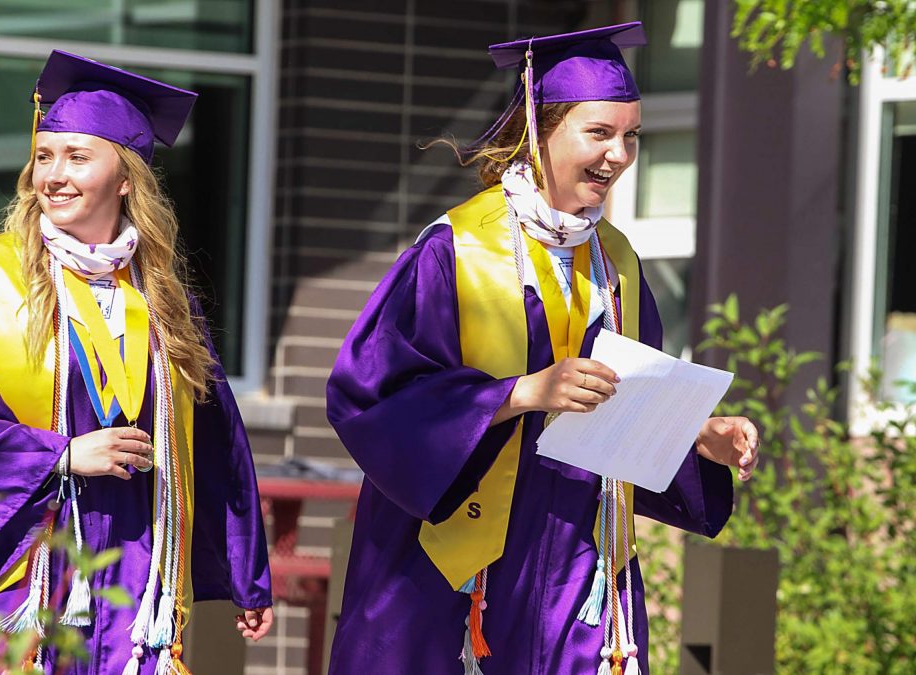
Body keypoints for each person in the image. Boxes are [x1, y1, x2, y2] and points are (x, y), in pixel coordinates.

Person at [325, 22, 760, 675]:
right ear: (539, 130)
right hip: (454, 567)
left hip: (574, 562)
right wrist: (517, 392)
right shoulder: (456, 250)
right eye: (600, 132)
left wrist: (696, 434)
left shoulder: (617, 263)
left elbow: (626, 401)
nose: (619, 154)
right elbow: (369, 393)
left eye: (632, 136)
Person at [0, 50, 273, 673]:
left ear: (126, 177)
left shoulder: (162, 298)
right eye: (44, 157)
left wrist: (245, 572)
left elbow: (214, 438)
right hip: (21, 577)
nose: (53, 175)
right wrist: (62, 455)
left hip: (132, 573)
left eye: (77, 157)